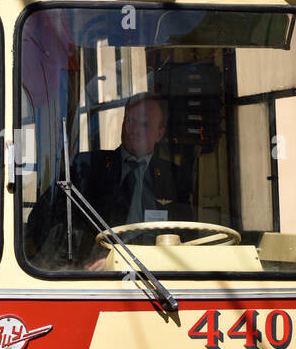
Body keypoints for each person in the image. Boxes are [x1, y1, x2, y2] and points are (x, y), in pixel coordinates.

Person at [26, 92, 192, 268]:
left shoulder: (175, 176)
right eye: (129, 121)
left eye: (144, 124)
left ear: (159, 134)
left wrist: (118, 258)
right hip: (93, 273)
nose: (134, 130)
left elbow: (186, 239)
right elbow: (42, 219)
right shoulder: (88, 167)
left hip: (155, 274)